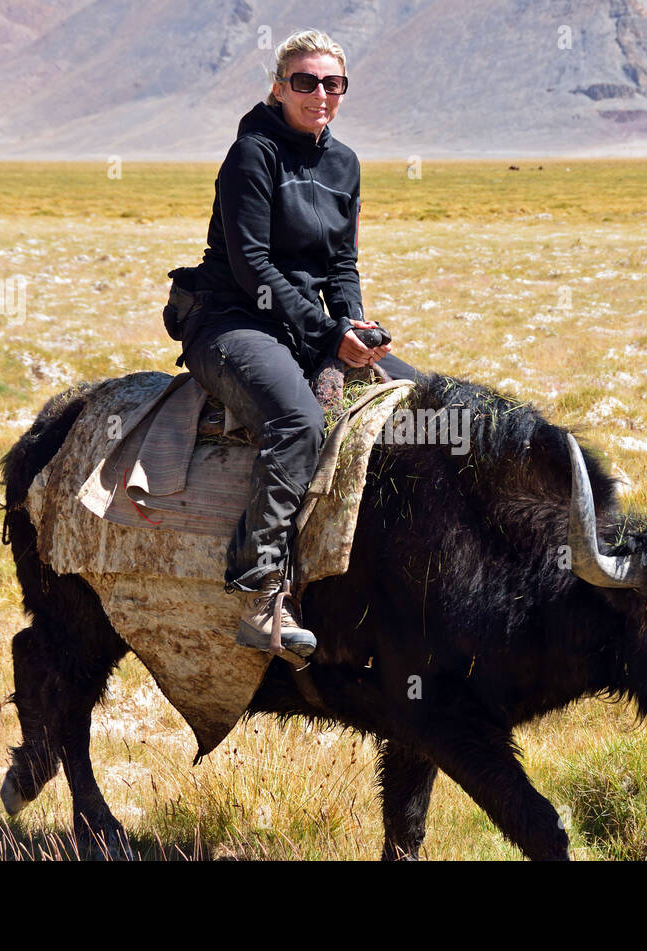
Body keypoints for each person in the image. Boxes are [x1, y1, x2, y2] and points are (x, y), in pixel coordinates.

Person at [178, 29, 418, 659]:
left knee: (419, 401)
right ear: (280, 86)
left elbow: (342, 264)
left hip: (304, 324)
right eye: (305, 82)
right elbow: (252, 264)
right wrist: (326, 334)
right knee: (296, 420)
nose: (320, 94)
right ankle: (259, 593)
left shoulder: (344, 165)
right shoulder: (251, 155)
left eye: (332, 83)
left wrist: (355, 326)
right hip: (231, 320)